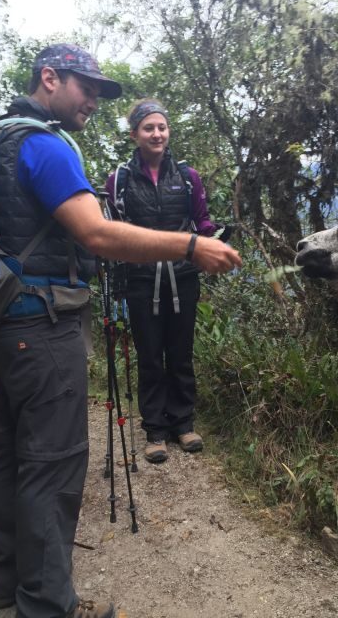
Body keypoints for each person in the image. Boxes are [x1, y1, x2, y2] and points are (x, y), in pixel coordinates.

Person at [0, 45, 241, 618]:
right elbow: (97, 235)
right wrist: (192, 245)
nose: (93, 99)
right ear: (50, 78)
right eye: (85, 87)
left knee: (11, 450)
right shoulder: (43, 145)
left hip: (5, 319)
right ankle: (47, 603)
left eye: (99, 91)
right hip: (44, 324)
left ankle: (7, 583)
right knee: (52, 460)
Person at [105, 100, 218, 465]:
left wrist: (212, 242)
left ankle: (183, 424)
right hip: (140, 279)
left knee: (180, 352)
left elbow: (201, 221)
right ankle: (155, 429)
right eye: (149, 128)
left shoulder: (187, 176)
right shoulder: (119, 180)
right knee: (150, 354)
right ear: (135, 133)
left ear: (168, 132)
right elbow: (113, 230)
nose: (157, 134)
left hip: (183, 278)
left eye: (162, 127)